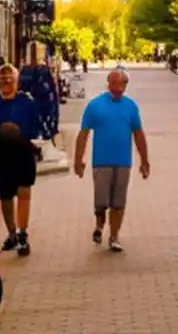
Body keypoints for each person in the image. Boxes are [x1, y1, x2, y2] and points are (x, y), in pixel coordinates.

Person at [72, 68, 150, 253]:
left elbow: (138, 134)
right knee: (101, 201)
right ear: (108, 84)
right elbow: (83, 134)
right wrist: (78, 160)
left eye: (122, 84)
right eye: (114, 84)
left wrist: (144, 160)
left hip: (123, 161)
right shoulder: (95, 105)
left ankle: (114, 236)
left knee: (118, 202)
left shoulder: (130, 106)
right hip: (101, 161)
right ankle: (99, 225)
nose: (118, 88)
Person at [0, 64, 43, 256]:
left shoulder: (26, 102)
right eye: (2, 78)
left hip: (23, 152)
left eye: (10, 78)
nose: (6, 81)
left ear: (17, 81)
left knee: (24, 192)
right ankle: (11, 232)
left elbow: (36, 129)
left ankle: (23, 233)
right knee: (5, 197)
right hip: (2, 155)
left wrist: (21, 134)